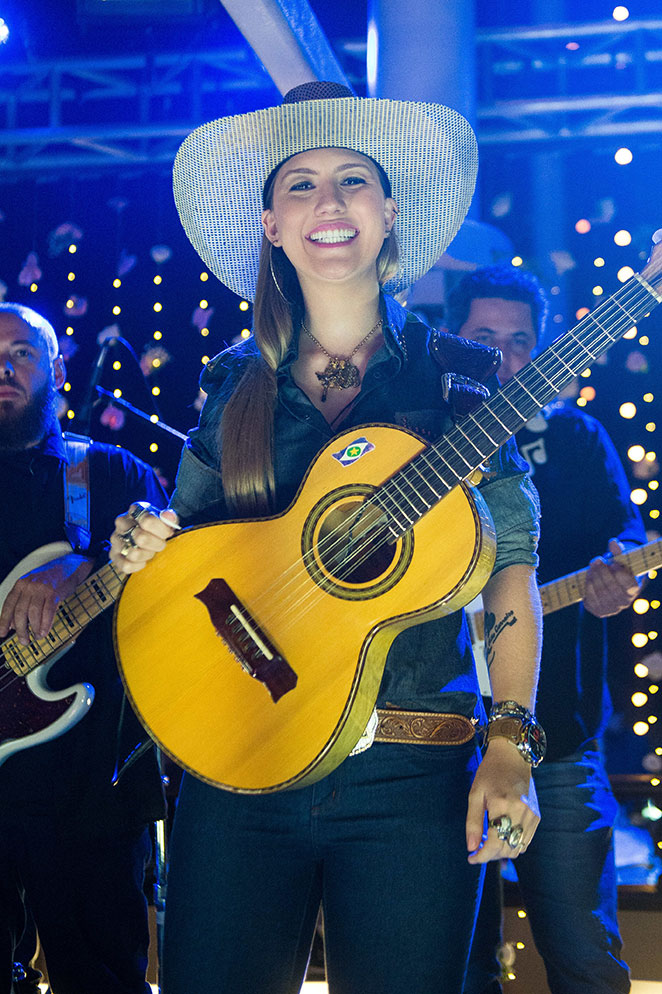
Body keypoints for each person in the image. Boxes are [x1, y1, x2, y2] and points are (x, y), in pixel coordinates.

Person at [110, 82, 544, 994]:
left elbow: (511, 563)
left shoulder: (461, 381)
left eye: (353, 179)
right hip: (238, 760)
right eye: (300, 184)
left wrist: (510, 741)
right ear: (272, 225)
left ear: (390, 213)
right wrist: (141, 547)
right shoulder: (233, 382)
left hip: (413, 771)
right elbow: (190, 552)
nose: (330, 202)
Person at [449, 265, 645, 994]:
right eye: (485, 338)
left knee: (582, 955)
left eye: (521, 341)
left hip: (556, 740)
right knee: (453, 964)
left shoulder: (575, 436)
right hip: (437, 745)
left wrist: (618, 576)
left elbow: (625, 536)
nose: (505, 358)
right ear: (454, 342)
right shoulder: (420, 439)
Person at [0, 302, 167, 994]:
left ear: (58, 370)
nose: (4, 368)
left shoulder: (112, 474)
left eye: (22, 353)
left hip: (91, 786)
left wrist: (84, 561)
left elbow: (176, 578)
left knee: (102, 979)